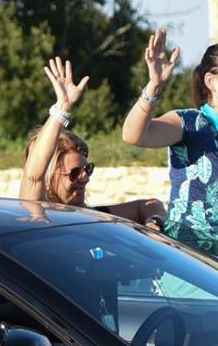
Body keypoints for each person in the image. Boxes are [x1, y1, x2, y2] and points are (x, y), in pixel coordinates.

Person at [120, 29, 218, 279]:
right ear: (211, 81)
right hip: (191, 269)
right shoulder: (189, 123)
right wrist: (154, 87)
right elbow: (133, 135)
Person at [17, 56, 165, 226]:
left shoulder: (91, 216)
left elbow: (151, 206)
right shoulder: (38, 214)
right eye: (73, 173)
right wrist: (62, 107)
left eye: (87, 169)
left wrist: (154, 222)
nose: (85, 178)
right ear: (49, 179)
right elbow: (33, 175)